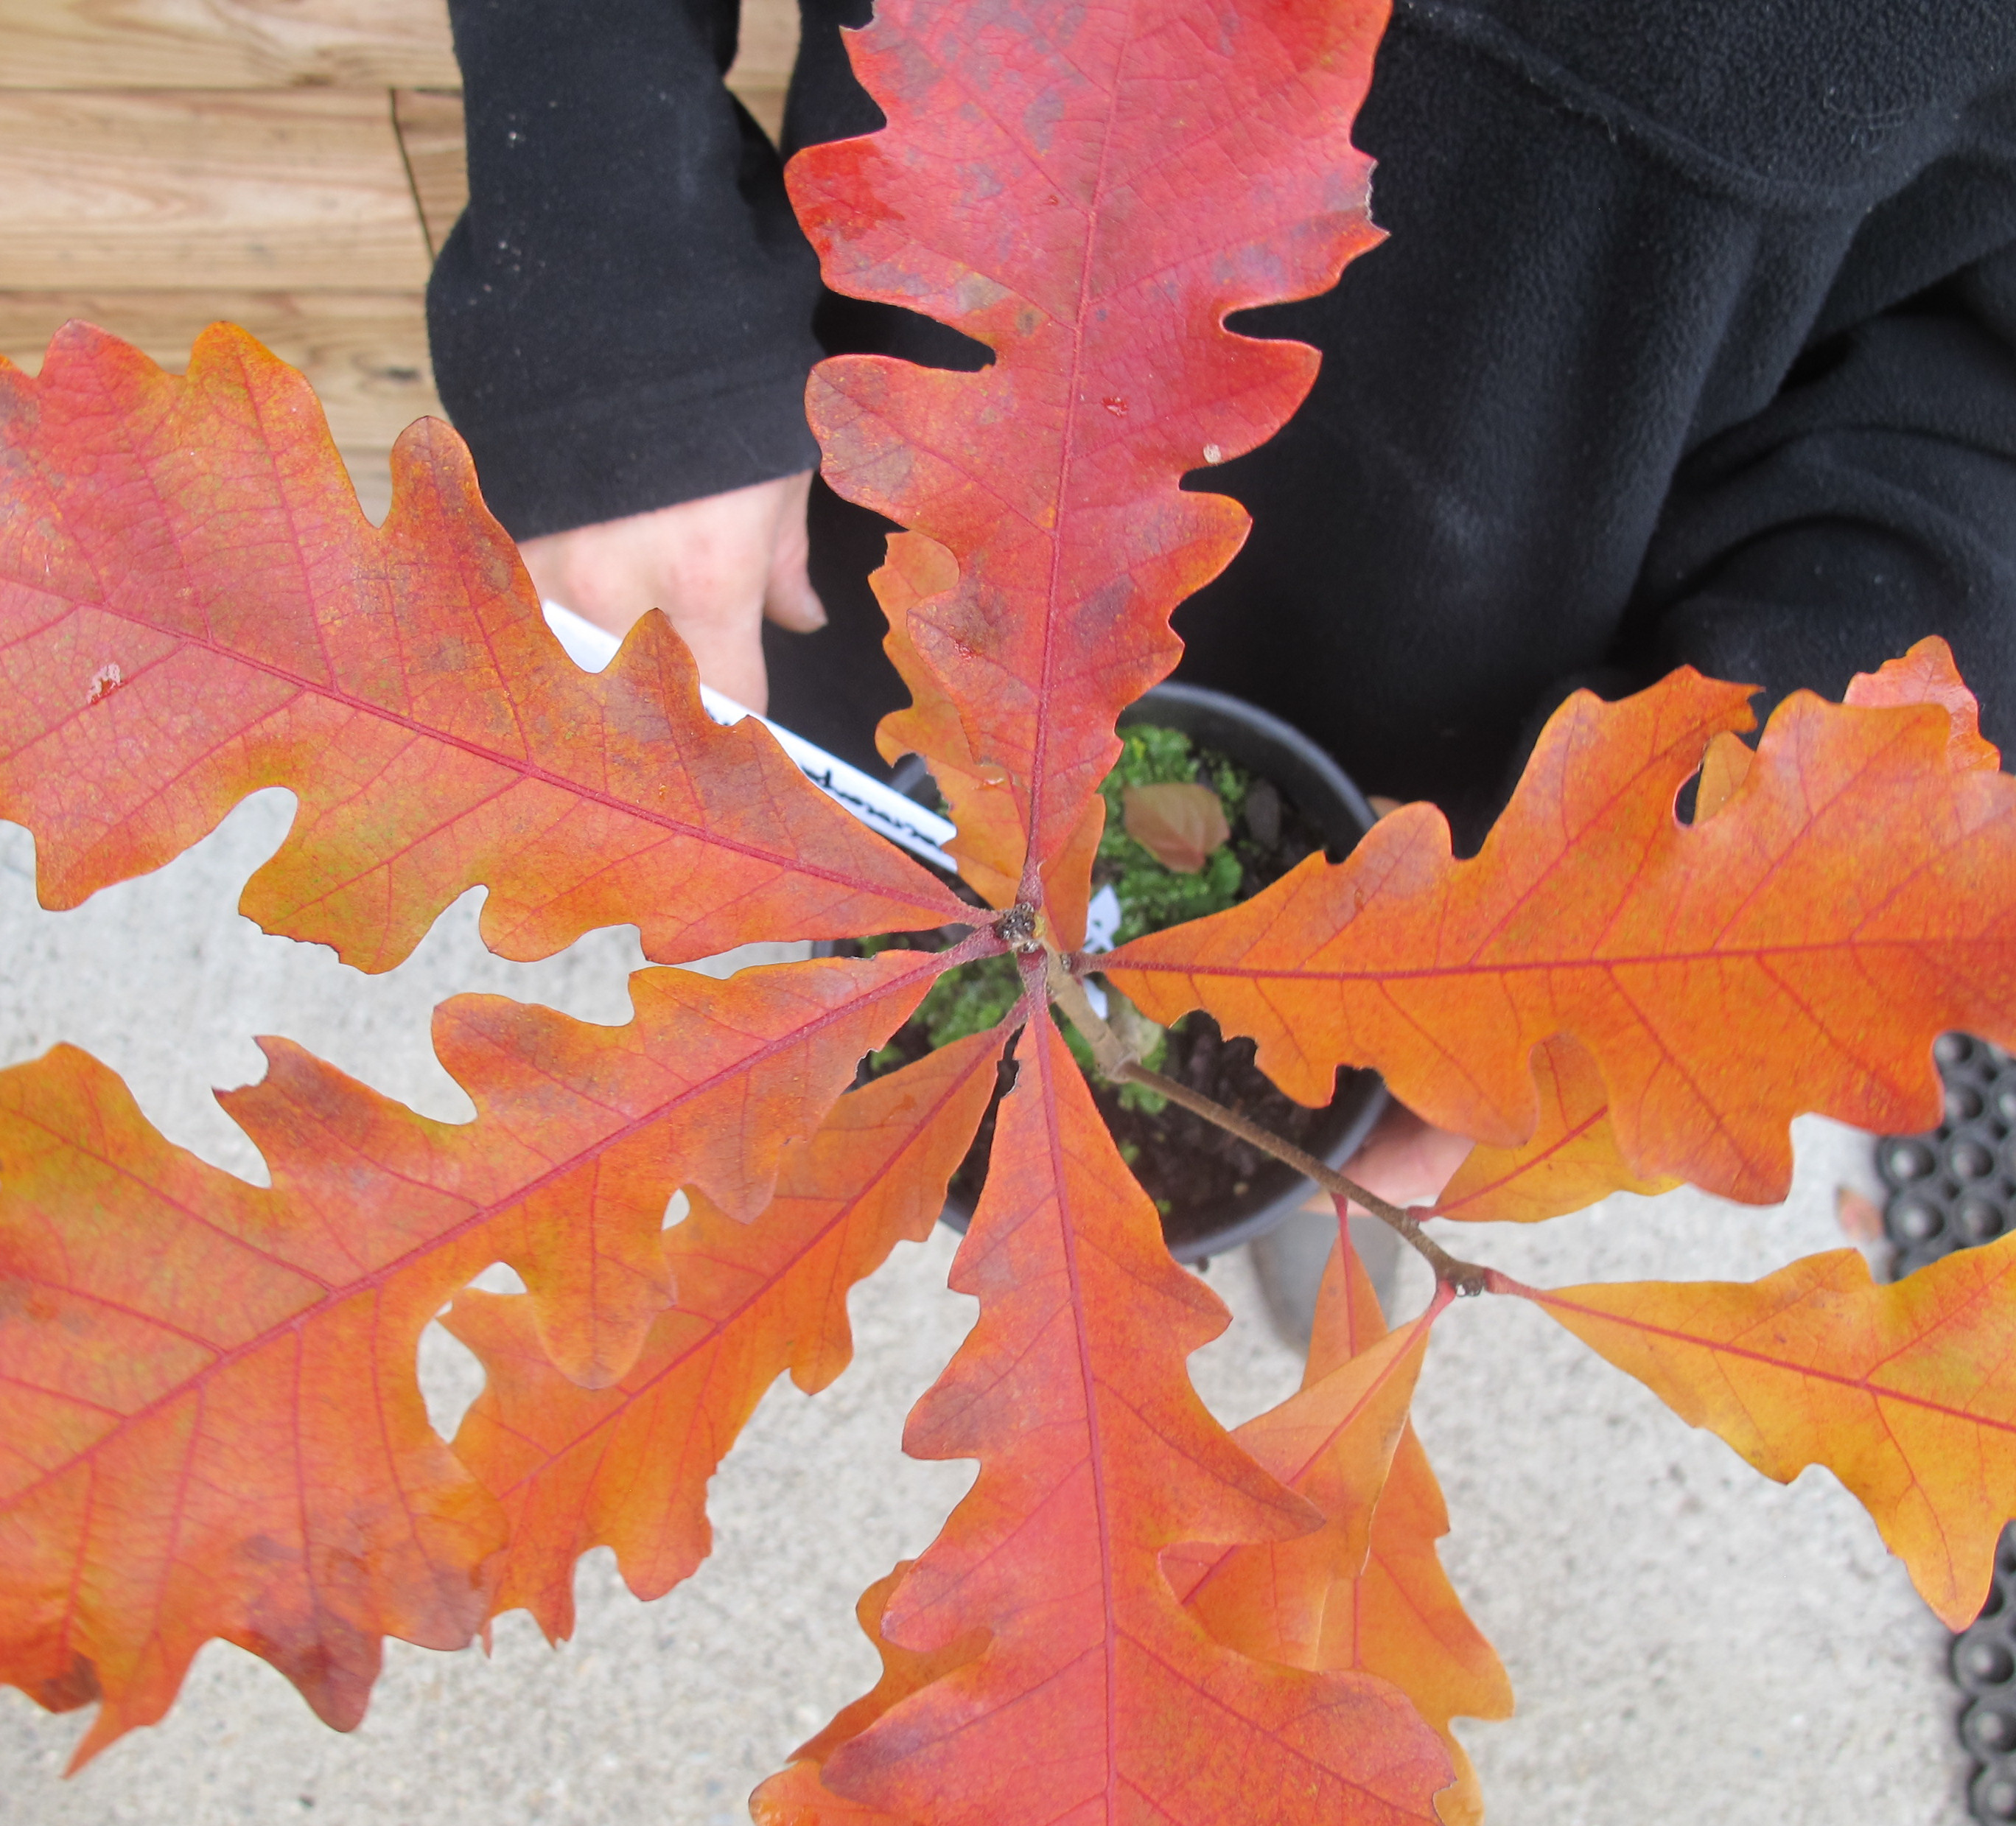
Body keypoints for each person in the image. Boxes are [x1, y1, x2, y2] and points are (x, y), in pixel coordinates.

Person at [426, 0, 2016, 1279]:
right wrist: (614, 275)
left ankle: (1314, 1224)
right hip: (883, 569)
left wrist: (1746, 793)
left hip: (1479, 725)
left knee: (1326, 1137)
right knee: (921, 906)